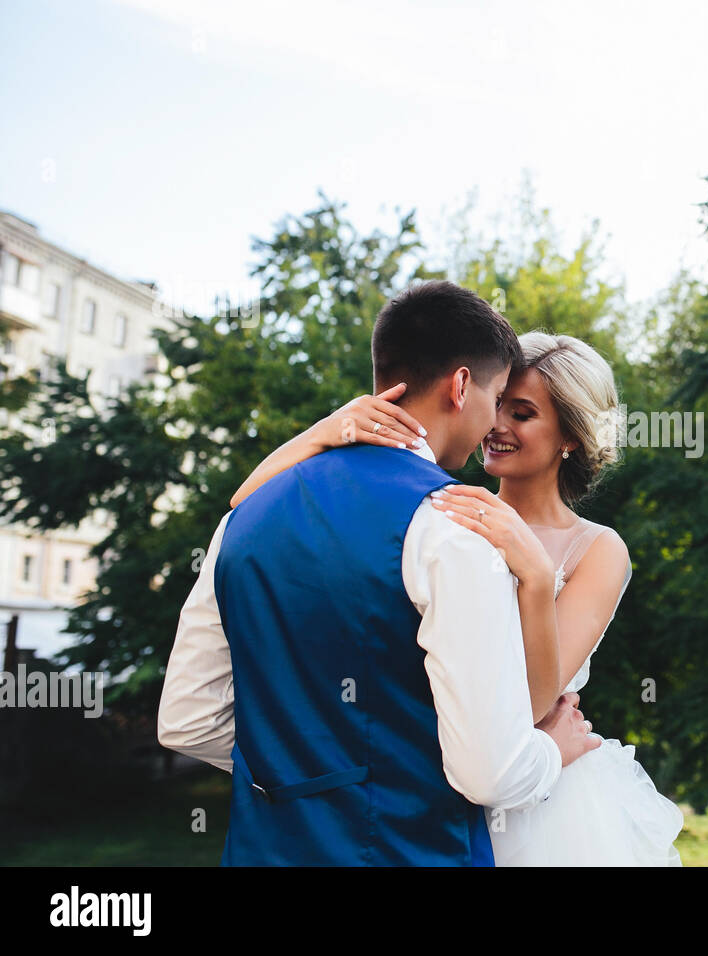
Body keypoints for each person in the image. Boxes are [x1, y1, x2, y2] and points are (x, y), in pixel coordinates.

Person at [157, 280, 600, 865]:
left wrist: (307, 772)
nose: (493, 422)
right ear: (462, 385)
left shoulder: (243, 518)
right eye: (497, 398)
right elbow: (491, 775)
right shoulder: (455, 527)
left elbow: (188, 722)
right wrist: (550, 748)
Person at [229, 328, 683, 866]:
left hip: (543, 806)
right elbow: (245, 507)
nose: (496, 425)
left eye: (522, 413)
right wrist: (324, 433)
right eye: (498, 404)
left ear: (571, 437)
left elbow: (534, 704)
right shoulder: (447, 513)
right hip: (427, 778)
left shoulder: (599, 550)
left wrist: (536, 577)